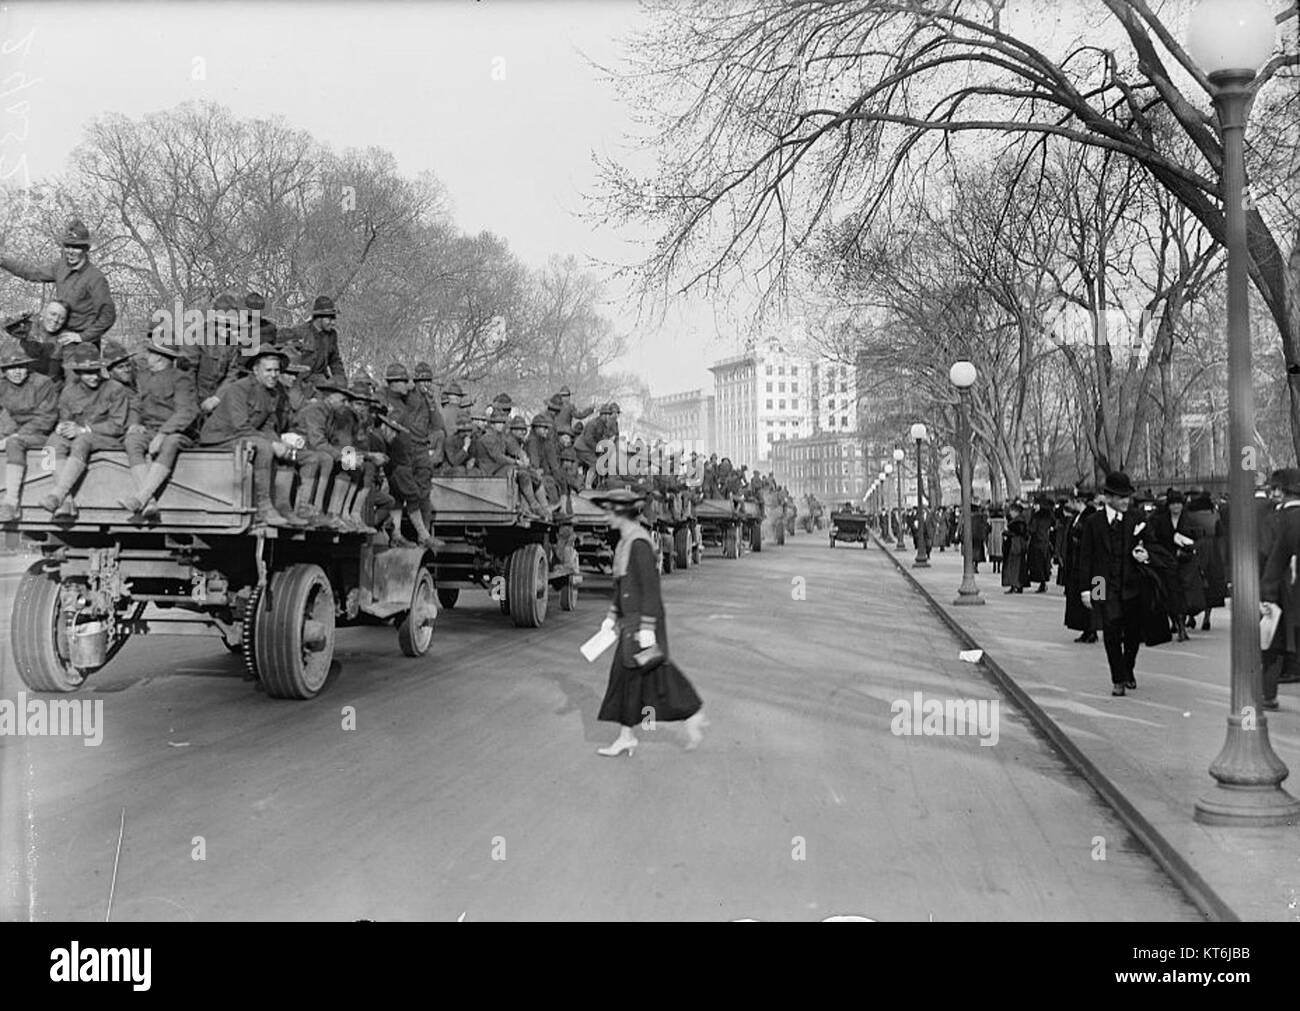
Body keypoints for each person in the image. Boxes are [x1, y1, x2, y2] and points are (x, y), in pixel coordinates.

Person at [591, 487, 706, 757]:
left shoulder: (639, 543)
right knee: (630, 676)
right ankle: (627, 736)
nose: (607, 516)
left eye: (610, 511)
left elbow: (650, 588)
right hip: (631, 622)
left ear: (621, 513)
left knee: (655, 673)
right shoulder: (625, 541)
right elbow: (623, 586)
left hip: (642, 622)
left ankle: (692, 713)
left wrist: (647, 628)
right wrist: (610, 618)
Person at [198, 347, 306, 527]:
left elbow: (269, 425)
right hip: (221, 437)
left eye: (277, 370)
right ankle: (264, 508)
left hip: (246, 436)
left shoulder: (275, 392)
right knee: (264, 447)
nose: (274, 375)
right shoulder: (239, 388)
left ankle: (283, 507)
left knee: (287, 453)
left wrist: (281, 445)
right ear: (256, 371)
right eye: (269, 370)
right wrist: (272, 443)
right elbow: (240, 426)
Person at [1078, 472, 1156, 697]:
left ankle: (1128, 667)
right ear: (1108, 497)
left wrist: (1145, 553)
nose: (1126, 501)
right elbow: (1086, 558)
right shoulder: (1094, 522)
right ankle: (1117, 679)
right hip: (1102, 583)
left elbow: (1151, 542)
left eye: (1127, 497)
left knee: (1132, 634)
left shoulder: (1136, 518)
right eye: (1121, 497)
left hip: (1132, 584)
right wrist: (1086, 590)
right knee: (1110, 632)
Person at [40, 344, 131, 517]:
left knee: (83, 440)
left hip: (108, 439)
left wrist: (83, 430)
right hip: (79, 437)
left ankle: (57, 494)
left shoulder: (115, 388)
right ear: (78, 373)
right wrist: (62, 426)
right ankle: (66, 502)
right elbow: (65, 419)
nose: (94, 377)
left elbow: (117, 426)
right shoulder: (69, 392)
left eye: (97, 371)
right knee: (52, 443)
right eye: (88, 373)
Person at [0, 218, 116, 348]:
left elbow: (108, 315)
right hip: (60, 338)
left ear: (85, 249)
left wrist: (82, 337)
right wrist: (3, 261)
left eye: (76, 247)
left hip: (83, 347)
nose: (70, 251)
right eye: (67, 246)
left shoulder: (95, 278)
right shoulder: (61, 267)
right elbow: (32, 272)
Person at [119, 330, 198, 517]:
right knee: (132, 441)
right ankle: (150, 502)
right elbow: (137, 405)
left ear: (161, 358)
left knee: (171, 443)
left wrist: (163, 434)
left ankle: (142, 496)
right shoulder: (144, 377)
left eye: (151, 353)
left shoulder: (181, 379)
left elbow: (186, 412)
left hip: (177, 433)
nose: (148, 356)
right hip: (151, 430)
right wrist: (134, 424)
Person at [0, 338, 58, 521]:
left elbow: (46, 418)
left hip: (39, 435)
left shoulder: (43, 383)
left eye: (21, 366)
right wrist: (6, 432)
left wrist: (15, 435)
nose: (17, 372)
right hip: (11, 433)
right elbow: (4, 412)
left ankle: (11, 502)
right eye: (11, 368)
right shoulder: (2, 386)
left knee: (14, 443)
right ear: (4, 371)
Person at [1260, 469, 1300, 710]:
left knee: (1274, 644)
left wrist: (1266, 594)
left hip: (1282, 589)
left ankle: (1268, 694)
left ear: (1280, 491)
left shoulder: (1275, 519)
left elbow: (1268, 557)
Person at [1062, 488, 1101, 643]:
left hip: (1091, 564)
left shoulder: (1092, 517)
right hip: (1076, 562)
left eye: (1076, 501)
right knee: (1079, 597)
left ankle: (1093, 629)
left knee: (1092, 595)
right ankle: (1085, 628)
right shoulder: (1077, 517)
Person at [282, 295, 347, 387]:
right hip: (302, 381)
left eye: (334, 319)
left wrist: (341, 379)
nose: (333, 323)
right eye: (329, 319)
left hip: (322, 380)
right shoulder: (300, 332)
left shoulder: (332, 335)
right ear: (319, 318)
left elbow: (335, 360)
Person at [1027, 496, 1056, 592]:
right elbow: (1053, 525)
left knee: (1037, 563)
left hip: (1037, 541)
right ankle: (1043, 582)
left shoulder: (1036, 516)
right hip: (1045, 541)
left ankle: (1042, 583)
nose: (1034, 506)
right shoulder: (1049, 515)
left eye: (1035, 504)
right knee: (1044, 563)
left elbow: (1032, 529)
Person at [1001, 504, 1030, 593]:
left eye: (1011, 511)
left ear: (1015, 512)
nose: (1010, 513)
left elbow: (1018, 533)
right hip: (1017, 545)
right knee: (1017, 566)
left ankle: (1015, 584)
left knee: (1014, 566)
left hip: (1015, 546)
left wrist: (1006, 533)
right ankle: (1017, 585)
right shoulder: (1019, 521)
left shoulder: (1018, 522)